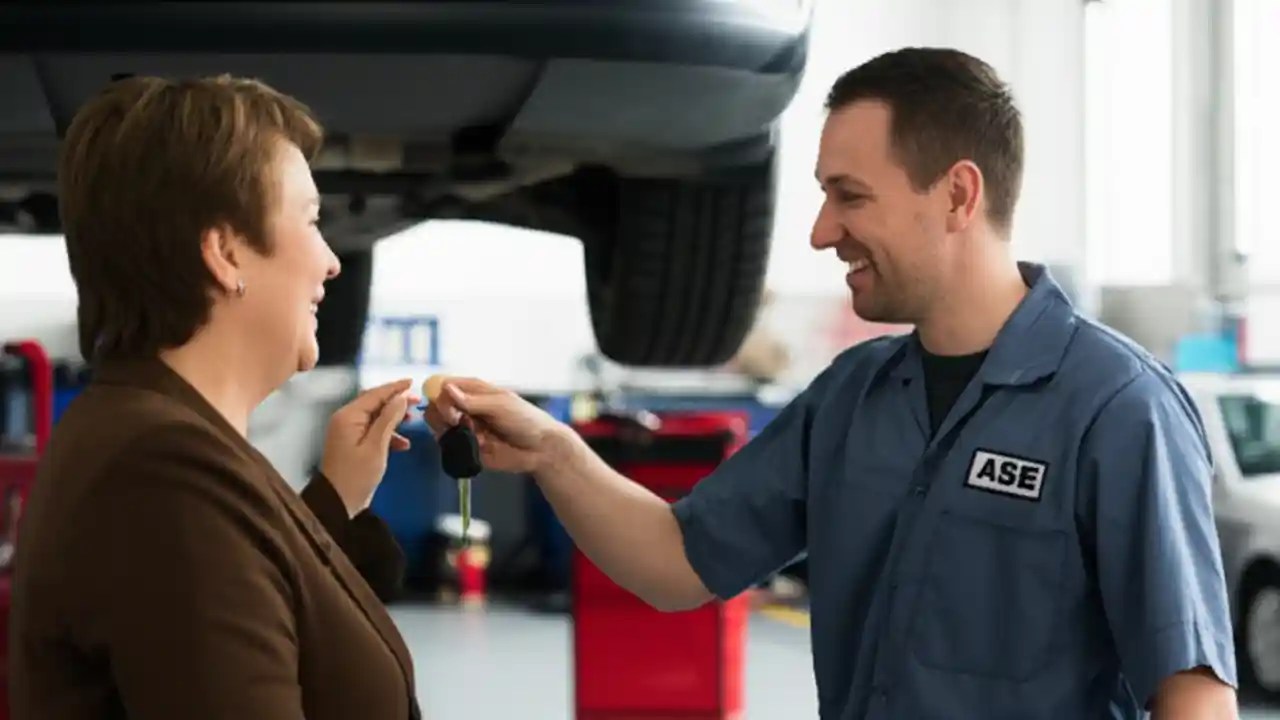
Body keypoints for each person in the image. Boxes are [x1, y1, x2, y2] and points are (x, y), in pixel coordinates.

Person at [426, 48, 1240, 719]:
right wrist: (554, 454)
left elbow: (1194, 692)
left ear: (958, 194)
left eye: (849, 198)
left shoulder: (1116, 407)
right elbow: (677, 562)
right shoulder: (853, 397)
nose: (822, 233)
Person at [10, 75, 423, 720]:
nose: (331, 262)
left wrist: (338, 499)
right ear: (226, 252)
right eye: (312, 221)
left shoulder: (156, 435)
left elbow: (257, 609)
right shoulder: (161, 471)